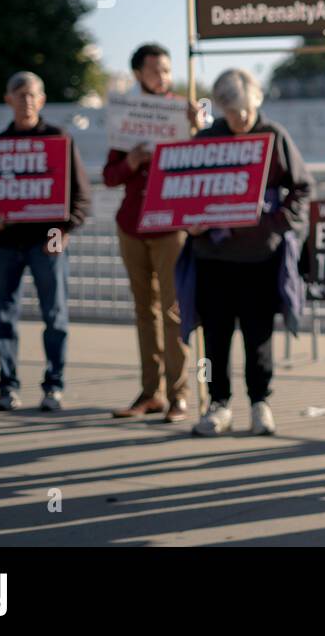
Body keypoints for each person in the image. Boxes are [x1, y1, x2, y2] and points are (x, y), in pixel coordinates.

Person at [190, 68, 312, 437]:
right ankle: (218, 403)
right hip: (214, 256)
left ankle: (261, 403)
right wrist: (190, 220)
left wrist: (274, 222)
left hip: (261, 256)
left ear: (257, 101)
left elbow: (302, 188)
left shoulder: (274, 135)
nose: (241, 118)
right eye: (232, 112)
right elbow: (185, 188)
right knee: (215, 335)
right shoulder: (207, 138)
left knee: (259, 335)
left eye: (245, 110)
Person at [0, 72, 91, 412]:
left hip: (46, 242)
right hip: (5, 244)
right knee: (3, 316)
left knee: (55, 315)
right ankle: (8, 386)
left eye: (32, 94)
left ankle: (54, 386)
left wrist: (61, 232)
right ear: (8, 100)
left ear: (42, 100)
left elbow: (80, 196)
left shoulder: (59, 139)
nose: (26, 100)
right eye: (19, 94)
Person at [104, 44, 192, 423]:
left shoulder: (182, 112)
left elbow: (199, 164)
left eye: (167, 71)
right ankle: (150, 392)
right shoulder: (124, 116)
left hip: (171, 225)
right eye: (156, 70)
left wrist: (194, 127)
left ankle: (179, 395)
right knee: (145, 312)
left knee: (174, 312)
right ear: (139, 73)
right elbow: (109, 177)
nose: (163, 77)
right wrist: (132, 162)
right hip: (132, 225)